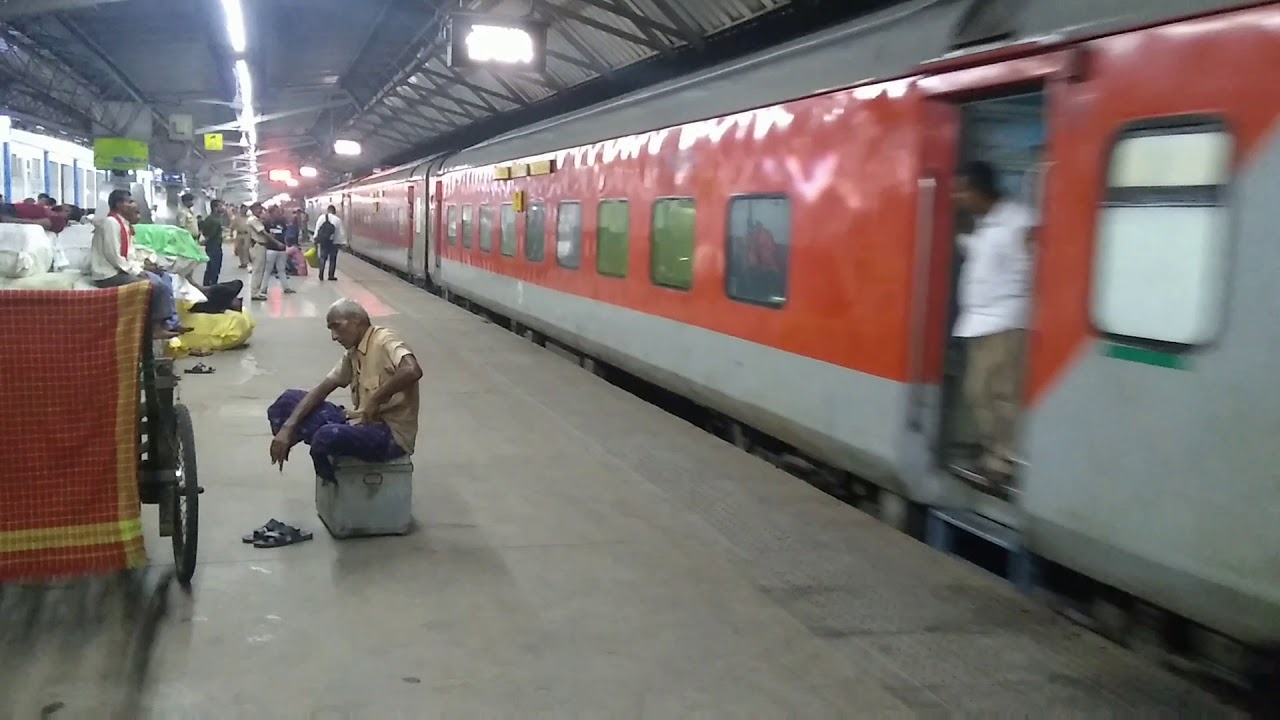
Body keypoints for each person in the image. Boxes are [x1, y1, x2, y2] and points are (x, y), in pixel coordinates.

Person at [267, 299, 422, 482]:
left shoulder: (384, 340)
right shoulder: (353, 353)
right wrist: (288, 427)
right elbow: (322, 389)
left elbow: (412, 370)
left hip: (389, 435)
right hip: (360, 422)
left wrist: (376, 399)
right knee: (286, 402)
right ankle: (314, 443)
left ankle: (334, 481)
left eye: (337, 327)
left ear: (356, 320)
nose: (334, 336)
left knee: (325, 436)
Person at [951, 160, 1034, 488]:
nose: (958, 197)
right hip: (980, 321)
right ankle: (996, 452)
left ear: (977, 189)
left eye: (961, 190)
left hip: (1006, 320)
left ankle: (1005, 461)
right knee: (981, 392)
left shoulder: (1020, 221)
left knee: (999, 394)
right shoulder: (988, 223)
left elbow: (1034, 267)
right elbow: (982, 254)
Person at [87, 189, 188, 339]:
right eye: (131, 202)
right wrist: (136, 271)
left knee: (165, 278)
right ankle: (155, 327)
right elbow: (114, 256)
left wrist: (144, 266)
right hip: (109, 274)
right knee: (156, 285)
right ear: (120, 204)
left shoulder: (124, 225)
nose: (135, 205)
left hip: (121, 269)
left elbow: (129, 254)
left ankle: (170, 323)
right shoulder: (111, 223)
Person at [248, 203, 292, 300]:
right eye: (257, 209)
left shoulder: (258, 220)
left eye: (260, 208)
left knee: (261, 270)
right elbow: (264, 233)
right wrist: (276, 242)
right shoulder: (253, 220)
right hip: (258, 246)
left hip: (262, 246)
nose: (260, 210)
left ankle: (257, 291)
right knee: (258, 270)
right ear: (253, 209)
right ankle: (255, 292)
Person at [199, 199, 227, 286]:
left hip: (211, 246)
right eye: (220, 206)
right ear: (215, 208)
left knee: (210, 268)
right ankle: (212, 287)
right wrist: (205, 241)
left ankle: (206, 286)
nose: (222, 208)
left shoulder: (209, 218)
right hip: (214, 246)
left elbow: (205, 231)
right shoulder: (214, 220)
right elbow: (211, 235)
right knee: (215, 269)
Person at [313, 204, 343, 281]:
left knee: (322, 258)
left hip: (323, 242)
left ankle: (321, 274)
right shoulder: (337, 219)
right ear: (334, 211)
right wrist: (342, 243)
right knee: (332, 259)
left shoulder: (321, 218)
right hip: (333, 242)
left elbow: (317, 229)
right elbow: (340, 233)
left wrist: (315, 240)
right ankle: (331, 275)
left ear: (328, 210)